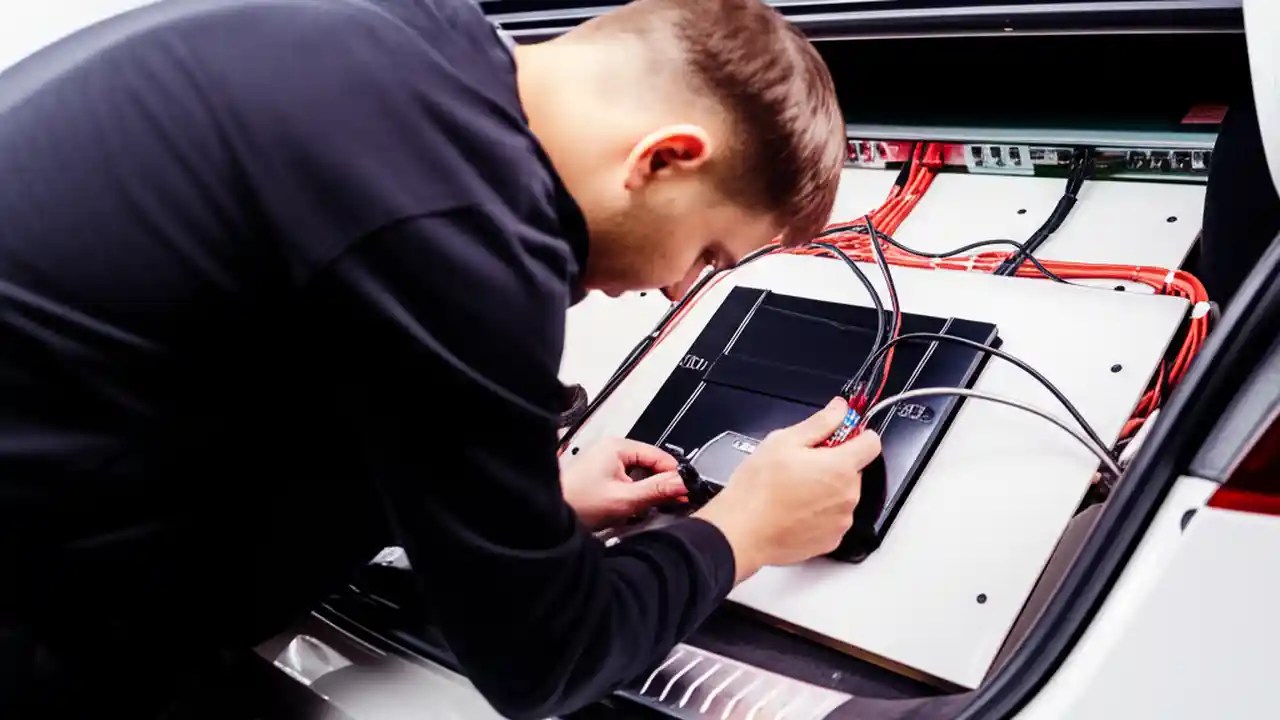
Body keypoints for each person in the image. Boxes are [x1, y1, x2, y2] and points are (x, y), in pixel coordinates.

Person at [0, 0, 882, 716]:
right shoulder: (462, 233)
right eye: (708, 256)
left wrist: (524, 505)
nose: (673, 290)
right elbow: (548, 664)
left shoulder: (412, 43)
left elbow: (271, 364)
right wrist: (742, 533)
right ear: (664, 159)